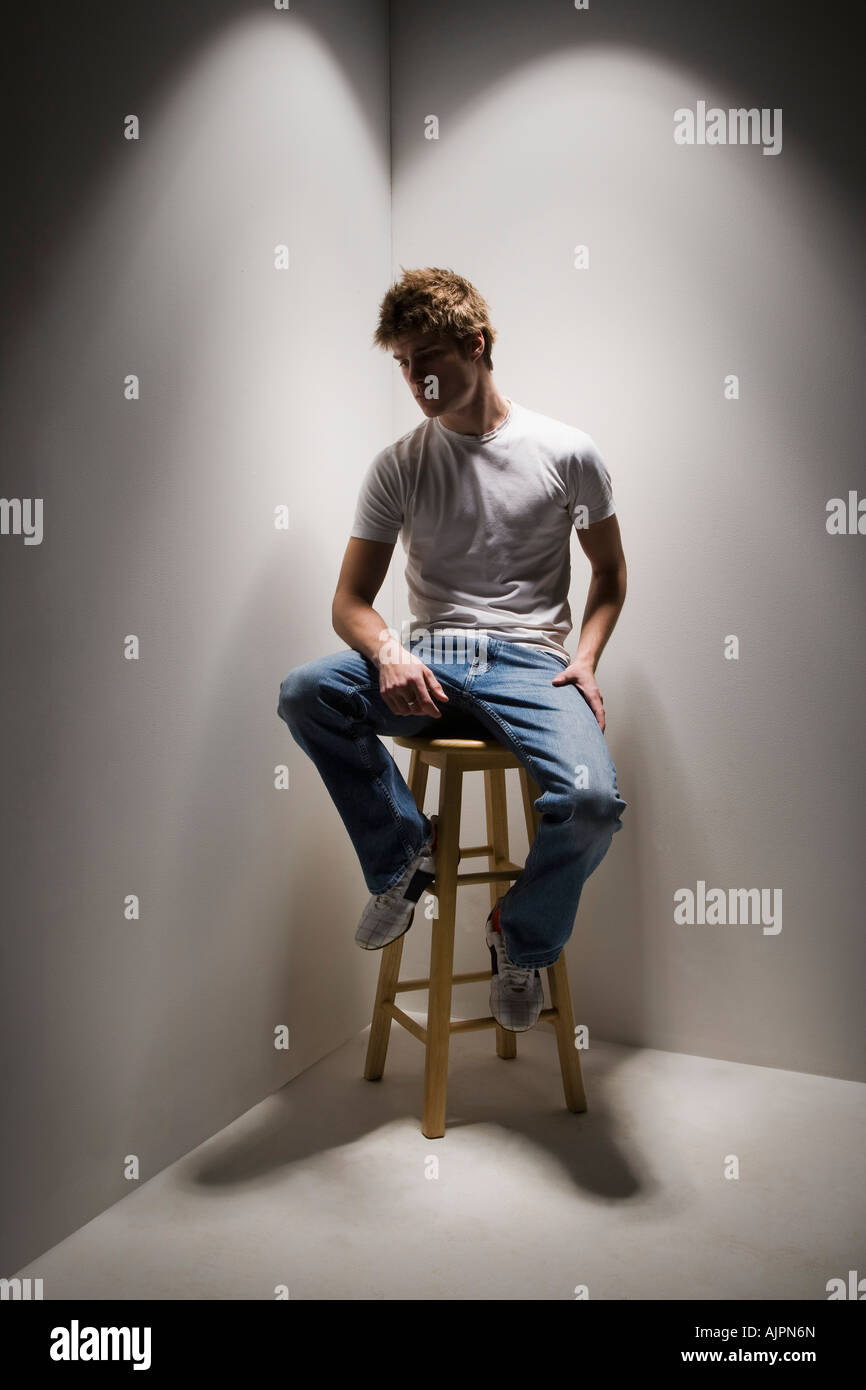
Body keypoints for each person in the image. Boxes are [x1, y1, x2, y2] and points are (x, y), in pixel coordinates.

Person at [278, 266, 627, 1032]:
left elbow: (608, 574)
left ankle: (521, 936)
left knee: (592, 804)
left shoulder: (568, 452)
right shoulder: (400, 464)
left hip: (534, 664)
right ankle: (405, 855)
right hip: (432, 660)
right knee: (308, 691)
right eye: (403, 362)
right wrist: (390, 653)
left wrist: (589, 656)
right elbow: (350, 602)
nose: (415, 377)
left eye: (427, 356)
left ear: (475, 344)